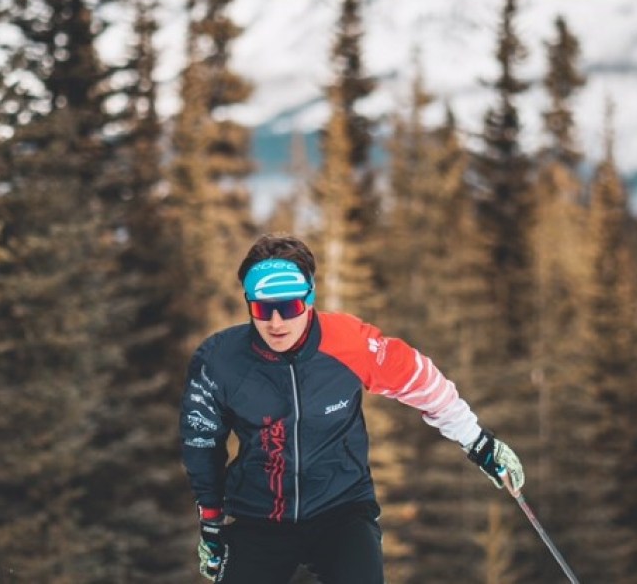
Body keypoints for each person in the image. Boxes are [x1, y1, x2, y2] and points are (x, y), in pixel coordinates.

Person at [180, 233, 524, 583]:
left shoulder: (349, 343)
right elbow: (202, 445)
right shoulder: (220, 361)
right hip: (258, 514)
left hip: (340, 509)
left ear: (309, 298)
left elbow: (422, 382)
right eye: (262, 308)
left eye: (289, 307)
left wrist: (478, 442)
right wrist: (211, 521)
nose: (276, 322)